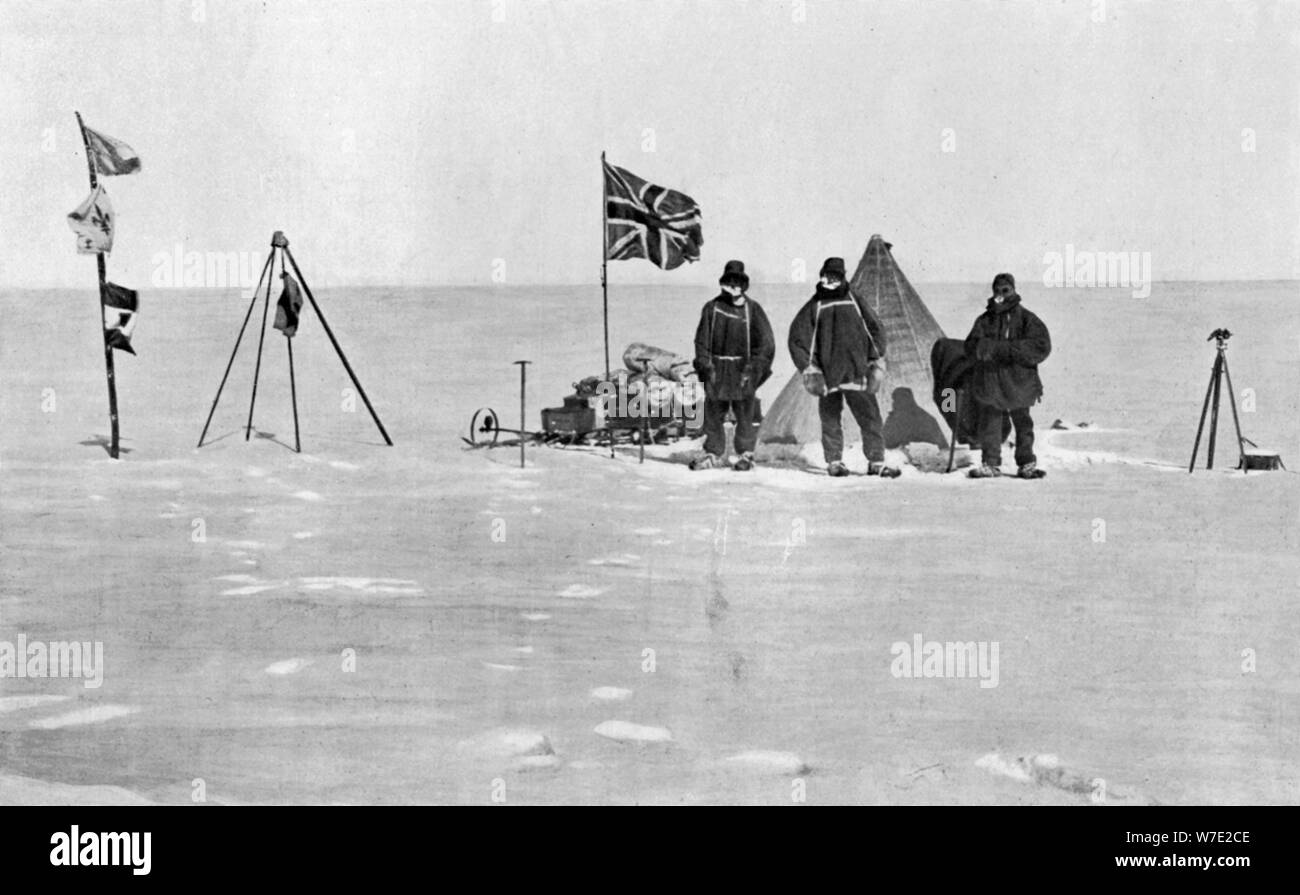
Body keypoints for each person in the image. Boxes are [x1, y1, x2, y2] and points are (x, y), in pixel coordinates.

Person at [788, 257, 898, 477]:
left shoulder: (855, 301)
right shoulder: (815, 306)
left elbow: (876, 329)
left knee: (870, 418)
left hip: (858, 373)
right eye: (826, 276)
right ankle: (835, 461)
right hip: (828, 376)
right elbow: (797, 340)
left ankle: (876, 461)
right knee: (830, 419)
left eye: (835, 276)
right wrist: (810, 369)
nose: (830, 280)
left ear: (842, 277)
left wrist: (874, 358)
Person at [963, 272, 1051, 479]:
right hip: (992, 381)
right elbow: (970, 346)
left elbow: (1041, 346)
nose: (1001, 295)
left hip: (1019, 381)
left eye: (1005, 290)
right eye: (997, 291)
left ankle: (1027, 463)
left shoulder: (1028, 319)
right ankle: (990, 463)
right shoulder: (984, 321)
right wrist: (983, 348)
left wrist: (1003, 350)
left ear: (1013, 290)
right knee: (991, 422)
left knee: (1022, 422)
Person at [690, 260, 775, 471]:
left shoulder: (752, 309)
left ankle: (745, 454)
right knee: (713, 413)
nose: (734, 285)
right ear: (723, 283)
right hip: (717, 369)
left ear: (744, 284)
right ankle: (713, 453)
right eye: (730, 281)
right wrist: (705, 366)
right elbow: (701, 342)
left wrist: (754, 369)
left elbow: (766, 344)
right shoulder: (712, 308)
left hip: (742, 371)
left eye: (738, 281)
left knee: (745, 414)